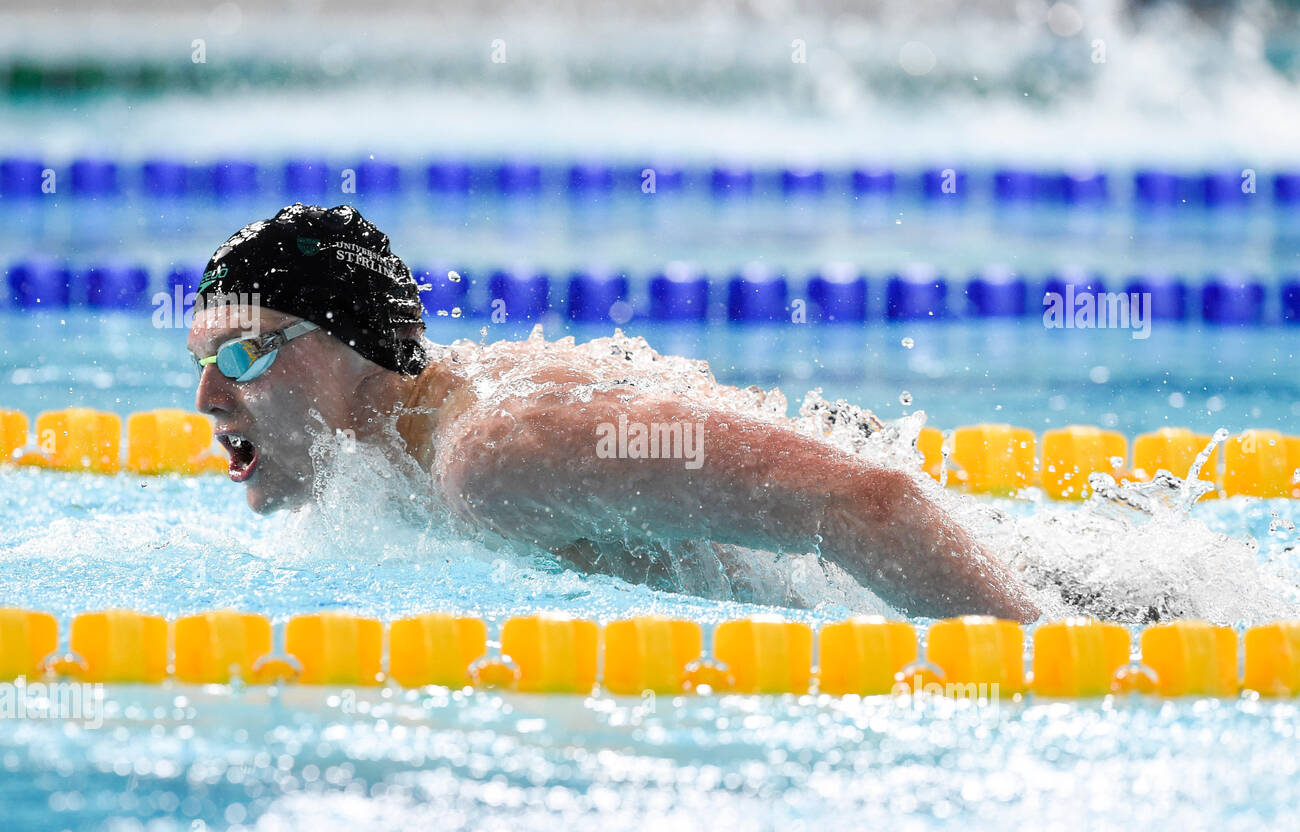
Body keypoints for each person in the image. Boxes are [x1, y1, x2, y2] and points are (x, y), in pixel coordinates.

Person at [187, 203, 1041, 622]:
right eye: (199, 362)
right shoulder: (433, 431)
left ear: (357, 342)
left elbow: (865, 501)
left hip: (1069, 607)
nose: (207, 397)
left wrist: (1044, 665)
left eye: (242, 353)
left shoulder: (492, 457)